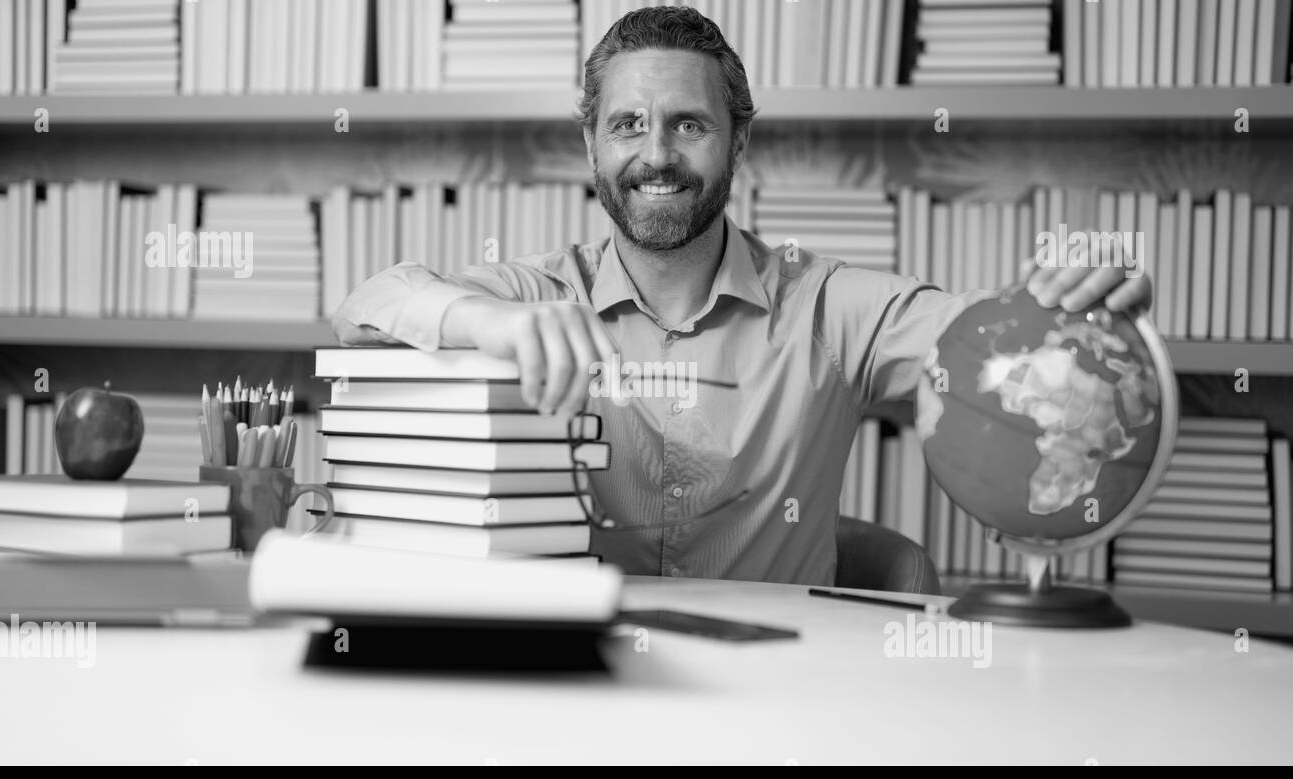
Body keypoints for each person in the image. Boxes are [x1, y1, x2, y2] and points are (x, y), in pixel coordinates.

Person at [332, 6, 1152, 585]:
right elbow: (368, 302)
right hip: (575, 698)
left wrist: (1086, 305)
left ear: (738, 139)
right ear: (590, 144)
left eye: (688, 124)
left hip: (785, 703)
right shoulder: (536, 293)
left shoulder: (833, 306)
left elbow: (989, 336)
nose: (655, 155)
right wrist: (484, 319)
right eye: (626, 126)